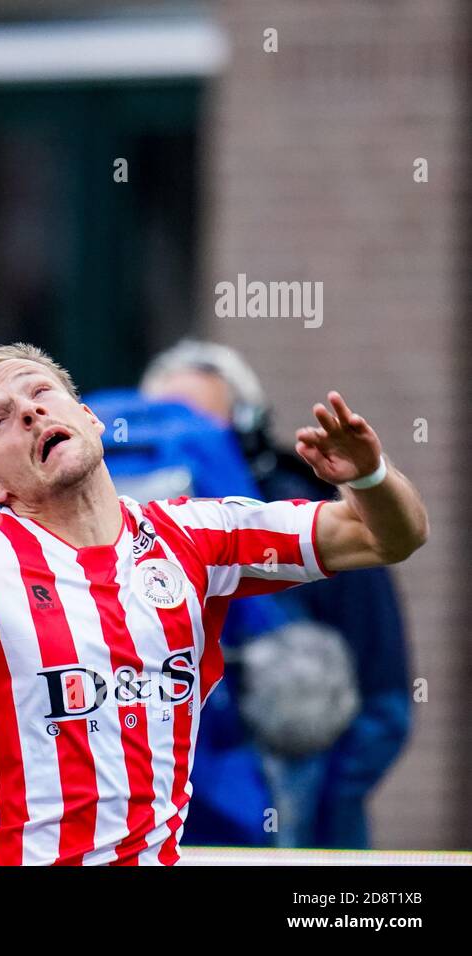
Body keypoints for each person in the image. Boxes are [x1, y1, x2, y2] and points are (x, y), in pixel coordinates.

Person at [0, 342, 427, 865]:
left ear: (90, 417)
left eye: (41, 394)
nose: (30, 413)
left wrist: (368, 477)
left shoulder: (197, 536)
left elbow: (388, 536)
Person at [141, 340, 410, 848]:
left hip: (299, 802)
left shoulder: (302, 506)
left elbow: (384, 697)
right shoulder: (115, 532)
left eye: (200, 428)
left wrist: (312, 802)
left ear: (246, 427)